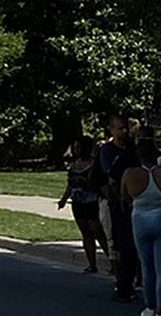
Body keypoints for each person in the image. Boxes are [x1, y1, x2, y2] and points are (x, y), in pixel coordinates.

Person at [124, 137, 161, 316]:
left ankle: (149, 308)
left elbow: (124, 197)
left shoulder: (130, 174)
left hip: (140, 219)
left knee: (147, 267)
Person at [98, 116, 139, 303]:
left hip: (136, 202)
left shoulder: (133, 150)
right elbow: (111, 177)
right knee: (118, 244)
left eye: (126, 129)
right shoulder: (108, 151)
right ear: (111, 130)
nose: (124, 132)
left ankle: (130, 280)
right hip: (116, 203)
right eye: (120, 129)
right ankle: (121, 282)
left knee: (132, 245)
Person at [58, 137, 108, 273]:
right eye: (75, 148)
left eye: (79, 147)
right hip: (78, 202)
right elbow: (70, 184)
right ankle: (92, 264)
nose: (76, 150)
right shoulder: (74, 164)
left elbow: (98, 183)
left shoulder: (93, 164)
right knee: (86, 233)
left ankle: (112, 262)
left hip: (91, 201)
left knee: (98, 232)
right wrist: (63, 199)